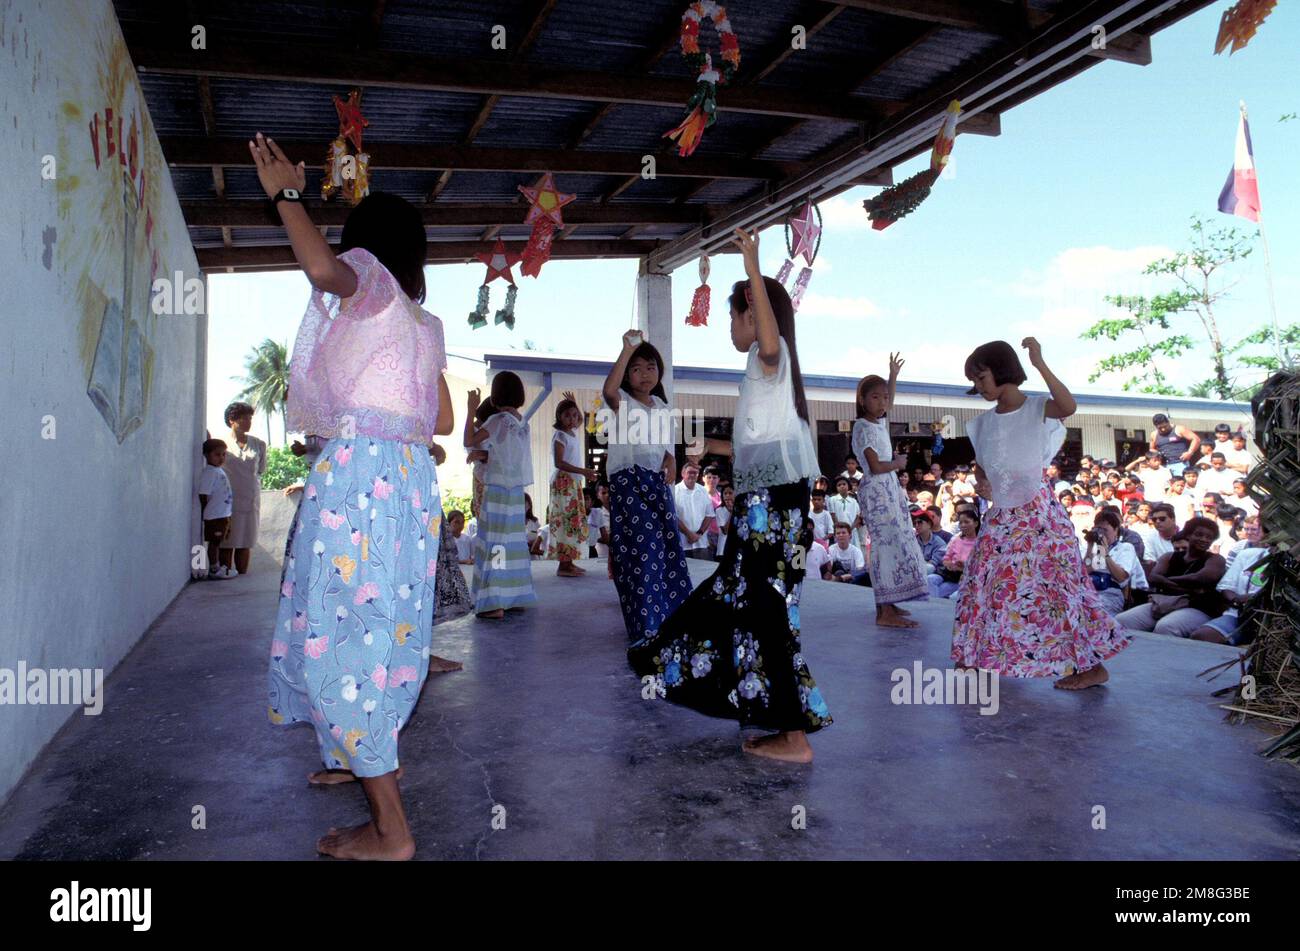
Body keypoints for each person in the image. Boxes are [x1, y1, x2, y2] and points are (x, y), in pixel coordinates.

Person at [252, 130, 455, 861]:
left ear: (367, 246)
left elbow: (318, 265)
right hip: (403, 483)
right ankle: (351, 754)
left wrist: (286, 196)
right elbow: (437, 419)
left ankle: (391, 827)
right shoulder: (421, 321)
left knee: (344, 631)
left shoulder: (365, 279)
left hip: (361, 481)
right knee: (376, 629)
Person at [629, 227, 829, 764]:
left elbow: (768, 334)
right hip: (766, 504)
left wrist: (753, 262)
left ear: (752, 314)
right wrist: (708, 446)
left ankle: (794, 735)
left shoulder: (772, 357)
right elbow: (754, 447)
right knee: (748, 607)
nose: (731, 325)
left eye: (734, 313)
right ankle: (783, 726)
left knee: (762, 611)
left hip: (771, 508)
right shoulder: (766, 378)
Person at [952, 338, 1129, 689]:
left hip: (1039, 517)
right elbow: (982, 467)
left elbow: (1068, 405)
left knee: (1057, 591)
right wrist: (982, 482)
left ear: (1002, 370)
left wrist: (1039, 363)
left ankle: (1090, 667)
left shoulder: (1037, 408)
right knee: (983, 583)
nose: (978, 386)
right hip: (1002, 518)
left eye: (981, 376)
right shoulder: (982, 424)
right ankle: (977, 658)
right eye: (974, 380)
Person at [602, 332, 693, 642]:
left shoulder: (664, 407)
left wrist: (671, 460)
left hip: (656, 484)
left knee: (668, 549)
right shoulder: (621, 401)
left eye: (650, 367)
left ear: (660, 371)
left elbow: (667, 447)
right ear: (628, 373)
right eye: (636, 368)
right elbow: (609, 389)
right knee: (641, 554)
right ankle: (646, 624)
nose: (644, 374)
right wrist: (626, 349)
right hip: (628, 482)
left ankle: (673, 617)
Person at [852, 354, 930, 628]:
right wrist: (896, 463)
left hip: (888, 489)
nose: (883, 402)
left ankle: (890, 602)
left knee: (896, 542)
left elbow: (891, 401)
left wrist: (893, 376)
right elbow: (873, 465)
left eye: (884, 397)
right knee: (884, 547)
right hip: (877, 491)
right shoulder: (862, 427)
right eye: (876, 397)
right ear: (863, 400)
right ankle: (883, 611)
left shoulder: (878, 422)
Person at [464, 373, 538, 619]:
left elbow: (469, 440)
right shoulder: (521, 423)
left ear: (495, 396)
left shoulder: (497, 421)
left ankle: (494, 600)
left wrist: (470, 410)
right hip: (516, 492)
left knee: (494, 542)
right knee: (511, 543)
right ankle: (513, 595)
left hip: (497, 490)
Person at [1116, 517, 1226, 638]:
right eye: (1199, 535)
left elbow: (1202, 577)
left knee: (1166, 627)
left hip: (1197, 607)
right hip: (1164, 602)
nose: (1204, 539)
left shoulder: (1215, 559)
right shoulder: (1169, 556)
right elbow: (1153, 577)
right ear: (1188, 535)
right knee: (1122, 620)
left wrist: (1168, 580)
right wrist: (1187, 588)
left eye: (1209, 537)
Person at [1191, 516, 1268, 645]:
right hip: (1239, 615)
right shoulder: (1248, 554)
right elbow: (1227, 587)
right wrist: (1236, 599)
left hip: (1277, 623)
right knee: (1203, 635)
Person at [546, 391, 597, 576]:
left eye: (574, 415)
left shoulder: (572, 433)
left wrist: (574, 403)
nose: (572, 418)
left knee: (572, 522)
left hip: (571, 483)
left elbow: (581, 420)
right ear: (559, 417)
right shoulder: (559, 435)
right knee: (565, 522)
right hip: (563, 482)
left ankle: (568, 563)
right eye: (567, 415)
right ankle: (563, 565)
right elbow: (559, 463)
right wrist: (584, 471)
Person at [219, 400, 268, 576]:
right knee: (227, 540)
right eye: (244, 419)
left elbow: (261, 469)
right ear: (232, 420)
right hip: (227, 499)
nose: (248, 422)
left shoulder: (259, 444)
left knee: (246, 539)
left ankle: (242, 577)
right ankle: (225, 575)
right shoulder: (222, 444)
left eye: (250, 418)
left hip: (250, 498)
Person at [1081, 510, 1147, 617]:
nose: (1101, 533)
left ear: (1116, 530)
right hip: (1091, 591)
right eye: (1098, 529)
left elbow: (1121, 577)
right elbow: (1084, 572)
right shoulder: (1091, 549)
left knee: (1092, 611)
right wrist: (1090, 546)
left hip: (1113, 594)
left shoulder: (1125, 548)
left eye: (1105, 530)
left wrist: (1105, 553)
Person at [198, 438, 235, 580]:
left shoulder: (218, 470)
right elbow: (203, 494)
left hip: (223, 514)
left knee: (218, 542)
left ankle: (218, 567)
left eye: (223, 454)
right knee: (214, 543)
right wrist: (205, 511)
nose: (221, 458)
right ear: (207, 455)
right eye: (217, 454)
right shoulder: (209, 472)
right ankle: (214, 569)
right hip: (214, 516)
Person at [927, 508, 978, 599]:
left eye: (966, 522)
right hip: (949, 574)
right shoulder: (956, 539)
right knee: (930, 579)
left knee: (944, 592)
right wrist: (949, 564)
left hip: (964, 578)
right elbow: (946, 558)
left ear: (976, 523)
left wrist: (963, 566)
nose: (963, 525)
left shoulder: (980, 543)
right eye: (961, 523)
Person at [674, 462, 715, 561]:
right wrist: (689, 534)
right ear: (683, 473)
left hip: (701, 543)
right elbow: (673, 516)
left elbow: (709, 515)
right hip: (682, 544)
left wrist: (699, 534)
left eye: (695, 473)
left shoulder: (703, 491)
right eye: (690, 472)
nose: (692, 475)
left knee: (704, 572)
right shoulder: (674, 491)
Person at [912, 510, 948, 575]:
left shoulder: (939, 543)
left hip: (936, 575)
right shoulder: (912, 541)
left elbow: (932, 566)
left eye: (919, 522)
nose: (916, 525)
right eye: (914, 523)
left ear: (929, 524)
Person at [826, 477, 860, 542]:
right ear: (836, 488)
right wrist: (840, 529)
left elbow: (857, 517)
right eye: (839, 485)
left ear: (848, 486)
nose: (842, 486)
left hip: (852, 531)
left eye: (844, 484)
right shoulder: (832, 499)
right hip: (839, 532)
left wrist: (850, 529)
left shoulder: (853, 501)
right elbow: (833, 515)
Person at [587, 482, 611, 562]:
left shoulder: (622, 513)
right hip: (602, 554)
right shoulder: (595, 513)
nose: (607, 495)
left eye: (610, 492)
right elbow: (600, 537)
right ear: (597, 495)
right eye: (603, 493)